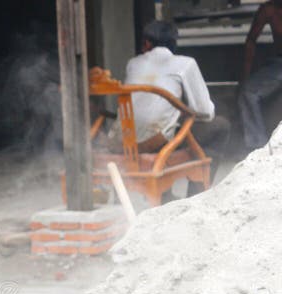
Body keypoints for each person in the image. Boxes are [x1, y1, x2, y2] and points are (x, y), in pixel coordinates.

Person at [118, 20, 230, 201]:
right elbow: (205, 111)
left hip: (125, 138)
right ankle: (196, 196)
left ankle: (166, 195)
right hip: (158, 142)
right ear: (173, 42)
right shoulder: (185, 64)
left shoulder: (133, 63)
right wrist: (184, 110)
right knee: (220, 126)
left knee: (171, 123)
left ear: (147, 43)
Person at [239, 0, 282, 151]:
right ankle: (258, 146)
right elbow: (251, 42)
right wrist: (245, 75)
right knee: (248, 92)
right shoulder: (269, 10)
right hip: (279, 64)